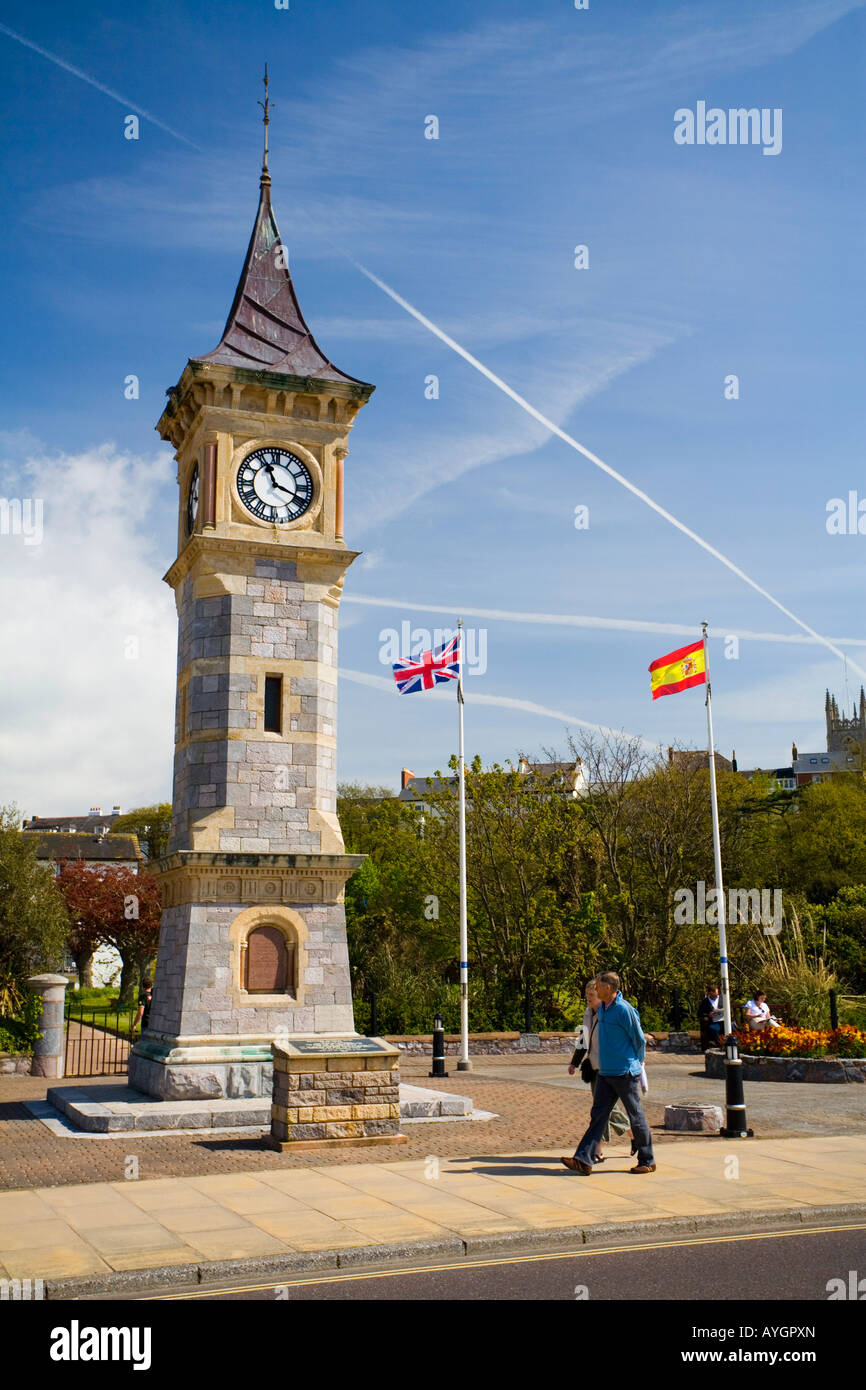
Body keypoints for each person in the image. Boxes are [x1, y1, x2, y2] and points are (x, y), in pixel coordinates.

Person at [561, 971, 655, 1175]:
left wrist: (637, 1063)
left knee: (635, 1115)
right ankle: (583, 1160)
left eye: (598, 985)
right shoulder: (601, 1009)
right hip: (604, 1072)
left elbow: (638, 1040)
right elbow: (586, 1038)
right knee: (598, 1116)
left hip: (624, 1072)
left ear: (608, 988)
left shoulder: (624, 1010)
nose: (594, 989)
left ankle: (647, 1160)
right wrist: (576, 1061)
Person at [569, 979, 631, 1162]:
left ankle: (597, 1149)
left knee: (601, 1109)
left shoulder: (609, 1015)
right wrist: (574, 1062)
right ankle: (633, 1134)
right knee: (604, 1108)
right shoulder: (588, 1014)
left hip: (611, 1068)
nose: (588, 998)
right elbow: (584, 1039)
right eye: (587, 994)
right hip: (596, 1067)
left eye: (592, 995)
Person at [698, 985, 725, 1050]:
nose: (717, 994)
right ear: (711, 993)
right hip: (713, 1021)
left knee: (732, 1026)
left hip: (724, 1019)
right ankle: (720, 1045)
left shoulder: (722, 998)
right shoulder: (705, 1001)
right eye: (716, 993)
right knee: (715, 1029)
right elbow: (699, 1013)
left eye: (718, 992)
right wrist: (708, 1015)